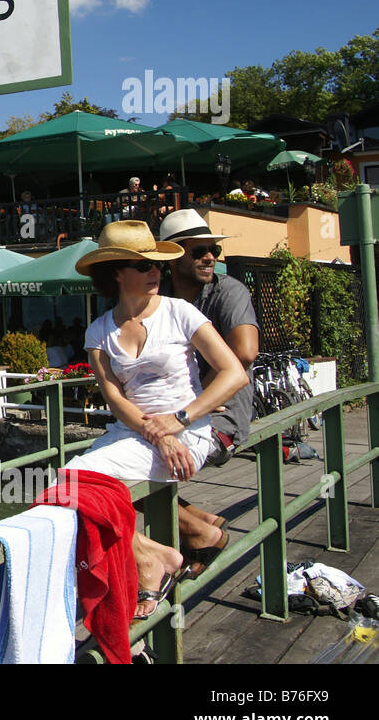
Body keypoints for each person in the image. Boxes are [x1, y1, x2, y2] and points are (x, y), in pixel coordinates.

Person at [67, 221, 248, 618]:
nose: (155, 272)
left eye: (156, 265)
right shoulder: (99, 330)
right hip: (134, 432)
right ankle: (155, 552)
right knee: (69, 488)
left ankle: (152, 562)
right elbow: (115, 398)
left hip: (190, 430)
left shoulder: (179, 311)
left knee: (72, 481)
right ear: (115, 271)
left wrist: (178, 420)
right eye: (142, 264)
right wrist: (156, 432)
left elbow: (235, 373)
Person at [159, 209, 258, 573]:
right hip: (173, 413)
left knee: (134, 468)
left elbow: (246, 353)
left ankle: (198, 531)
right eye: (198, 250)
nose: (210, 256)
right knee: (116, 466)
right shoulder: (160, 295)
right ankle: (200, 522)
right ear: (172, 255)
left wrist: (196, 401)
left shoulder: (227, 290)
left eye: (213, 249)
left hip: (221, 414)